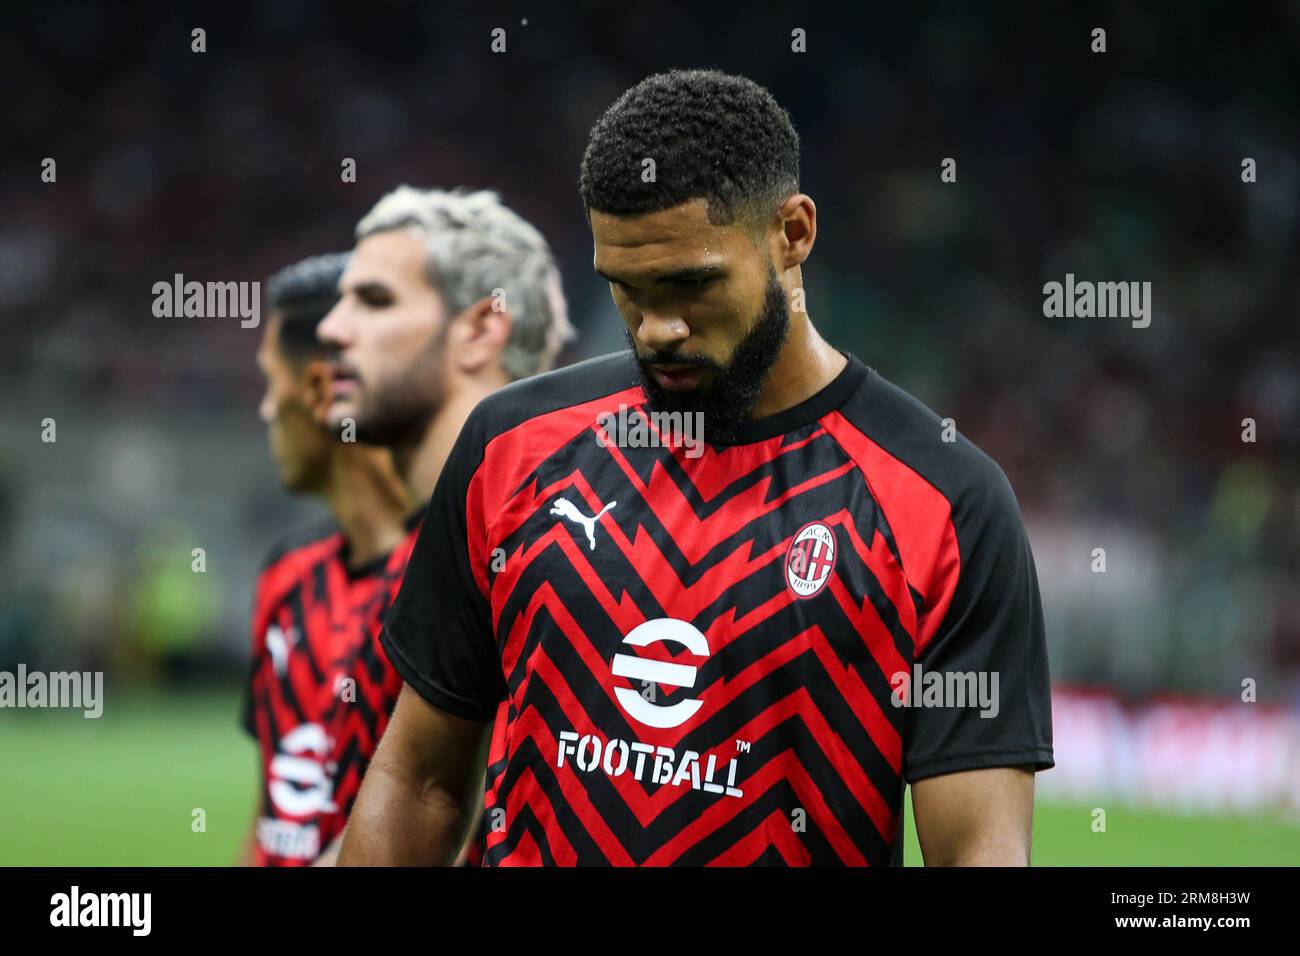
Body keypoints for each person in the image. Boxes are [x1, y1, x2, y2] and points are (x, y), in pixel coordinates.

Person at [339, 70, 1053, 867]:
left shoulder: (947, 504)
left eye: (692, 284)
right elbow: (418, 782)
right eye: (628, 291)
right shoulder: (511, 447)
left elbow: (977, 853)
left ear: (793, 233)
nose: (658, 330)